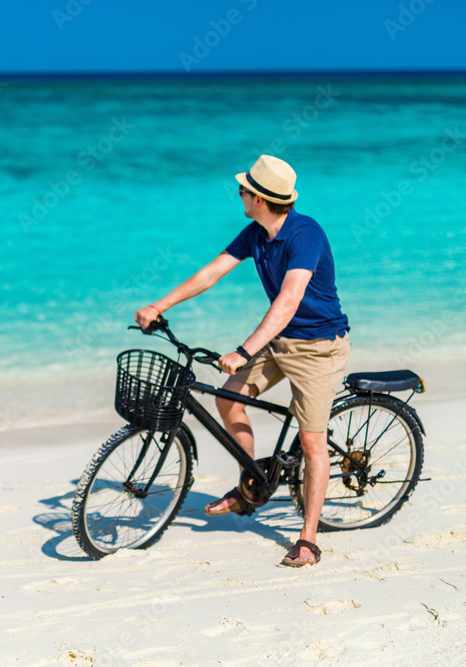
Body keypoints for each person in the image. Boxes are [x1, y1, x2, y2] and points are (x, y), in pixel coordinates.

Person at [135, 155, 350, 567]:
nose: (239, 193)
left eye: (244, 190)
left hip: (318, 346)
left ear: (261, 199)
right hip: (279, 340)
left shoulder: (306, 235)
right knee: (228, 398)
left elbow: (289, 301)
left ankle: (307, 538)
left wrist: (245, 350)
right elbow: (211, 272)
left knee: (311, 441)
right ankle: (250, 483)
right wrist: (159, 305)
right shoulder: (256, 233)